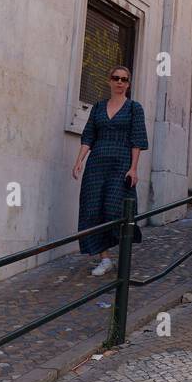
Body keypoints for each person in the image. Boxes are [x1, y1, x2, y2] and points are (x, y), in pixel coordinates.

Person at [72, 65, 148, 276]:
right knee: (92, 209)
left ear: (128, 84)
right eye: (116, 78)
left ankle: (123, 255)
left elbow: (137, 139)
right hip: (96, 164)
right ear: (109, 81)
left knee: (115, 209)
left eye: (124, 79)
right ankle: (104, 258)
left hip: (121, 164)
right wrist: (79, 160)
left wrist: (134, 168)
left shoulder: (134, 108)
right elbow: (88, 136)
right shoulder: (97, 108)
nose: (119, 82)